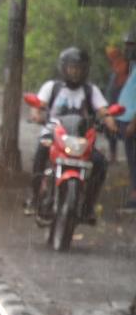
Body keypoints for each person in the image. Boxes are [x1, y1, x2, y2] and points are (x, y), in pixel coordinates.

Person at [24, 47, 115, 221]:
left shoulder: (90, 90)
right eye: (72, 67)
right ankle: (35, 197)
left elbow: (103, 109)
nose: (75, 72)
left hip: (80, 139)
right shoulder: (53, 87)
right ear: (64, 68)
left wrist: (109, 119)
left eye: (78, 68)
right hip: (54, 132)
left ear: (85, 70)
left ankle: (88, 207)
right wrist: (36, 113)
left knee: (100, 163)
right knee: (41, 151)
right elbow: (39, 104)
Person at [115, 35, 136, 209]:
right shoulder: (132, 67)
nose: (127, 48)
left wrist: (133, 123)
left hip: (132, 122)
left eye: (130, 45)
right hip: (125, 120)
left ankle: (135, 197)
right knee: (131, 158)